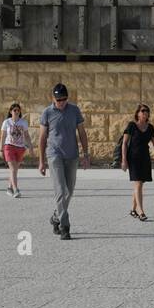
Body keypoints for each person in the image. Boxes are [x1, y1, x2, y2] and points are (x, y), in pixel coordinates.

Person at [39, 83, 89, 241]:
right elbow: (42, 138)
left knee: (69, 191)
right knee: (61, 191)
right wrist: (41, 161)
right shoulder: (47, 113)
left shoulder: (74, 110)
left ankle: (56, 216)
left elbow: (82, 132)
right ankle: (65, 226)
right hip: (54, 155)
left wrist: (86, 154)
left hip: (72, 155)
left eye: (64, 99)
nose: (62, 102)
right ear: (53, 98)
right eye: (59, 99)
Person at [121, 104, 154, 220]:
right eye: (142, 111)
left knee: (140, 184)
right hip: (133, 158)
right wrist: (124, 160)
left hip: (145, 158)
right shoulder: (132, 126)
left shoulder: (150, 127)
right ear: (137, 113)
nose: (145, 113)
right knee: (138, 183)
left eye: (147, 111)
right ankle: (141, 211)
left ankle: (133, 209)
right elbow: (124, 143)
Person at [0, 102, 31, 198]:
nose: (16, 112)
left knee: (14, 170)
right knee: (13, 169)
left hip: (20, 147)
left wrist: (31, 147)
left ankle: (9, 188)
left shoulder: (23, 122)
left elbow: (26, 135)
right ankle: (16, 189)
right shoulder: (6, 122)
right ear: (11, 111)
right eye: (14, 110)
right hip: (9, 147)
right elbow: (3, 136)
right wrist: (1, 150)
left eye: (18, 110)